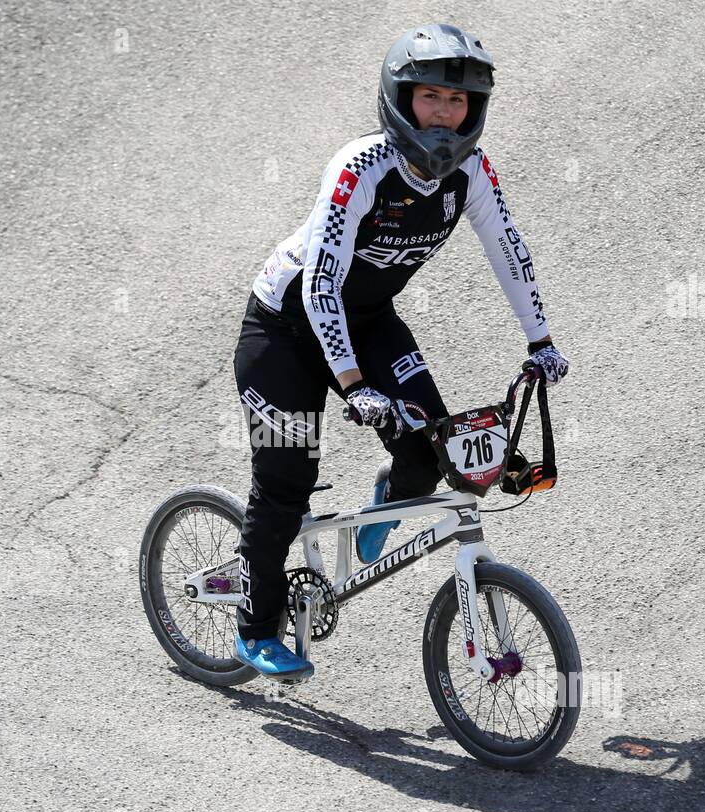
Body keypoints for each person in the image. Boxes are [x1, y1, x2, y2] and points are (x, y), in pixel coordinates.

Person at [231, 23, 571, 681]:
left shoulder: (471, 172)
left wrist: (542, 342)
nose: (445, 114)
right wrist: (355, 384)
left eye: (458, 102)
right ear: (399, 98)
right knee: (285, 483)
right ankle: (253, 628)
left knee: (432, 448)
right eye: (431, 98)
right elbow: (321, 284)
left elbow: (509, 250)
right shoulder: (360, 167)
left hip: (367, 319)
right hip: (285, 326)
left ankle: (390, 497)